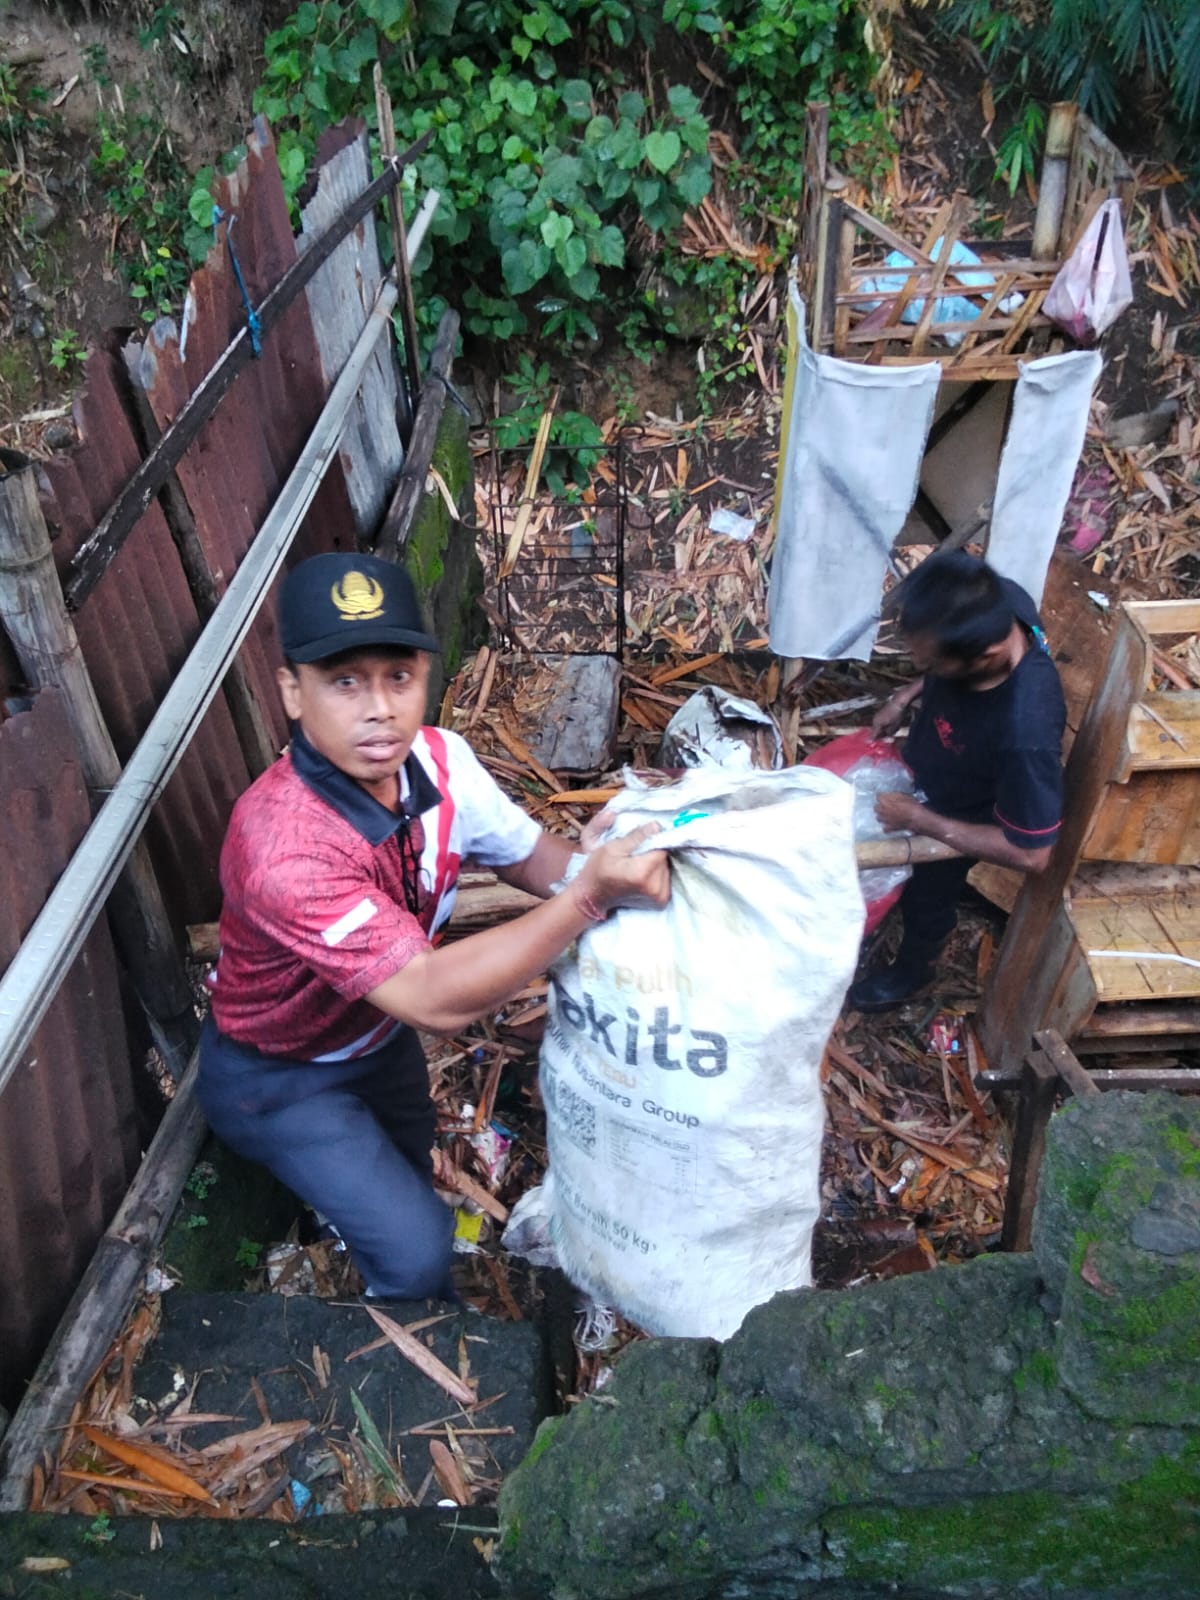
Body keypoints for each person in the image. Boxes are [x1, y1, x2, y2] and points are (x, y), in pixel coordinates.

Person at [198, 551, 669, 1299]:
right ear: (292, 691)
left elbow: (529, 858)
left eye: (398, 676)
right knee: (418, 1255)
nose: (379, 707)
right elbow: (433, 999)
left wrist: (606, 865)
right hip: (281, 1074)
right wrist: (584, 903)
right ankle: (397, 1322)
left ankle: (358, 1203)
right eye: (344, 681)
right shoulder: (283, 847)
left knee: (414, 1154)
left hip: (375, 1037)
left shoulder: (441, 761)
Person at [846, 551, 1065, 1012]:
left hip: (962, 814)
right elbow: (943, 656)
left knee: (927, 898)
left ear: (987, 656)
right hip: (939, 762)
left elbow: (1033, 853)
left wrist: (923, 820)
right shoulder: (997, 601)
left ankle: (913, 971)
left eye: (933, 663)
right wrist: (905, 695)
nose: (923, 665)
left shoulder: (1025, 733)